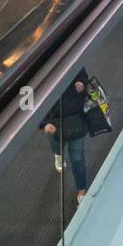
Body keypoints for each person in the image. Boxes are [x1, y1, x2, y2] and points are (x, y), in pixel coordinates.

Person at [41, 69, 91, 203]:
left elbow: (82, 74)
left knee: (77, 158)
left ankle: (82, 190)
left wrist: (81, 82)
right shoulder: (40, 68)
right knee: (57, 145)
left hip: (75, 118)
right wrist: (44, 123)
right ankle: (58, 155)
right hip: (54, 121)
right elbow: (31, 98)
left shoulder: (71, 57)